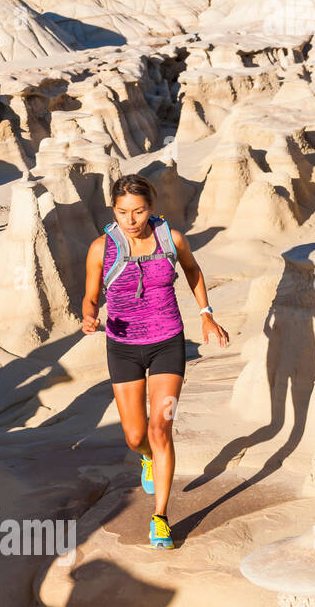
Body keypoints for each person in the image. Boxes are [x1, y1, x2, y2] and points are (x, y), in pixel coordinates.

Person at [81, 174, 229, 548]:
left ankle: (160, 517)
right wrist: (89, 315)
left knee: (161, 429)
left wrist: (206, 313)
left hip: (168, 344)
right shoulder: (101, 248)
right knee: (136, 437)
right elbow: (90, 296)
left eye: (139, 211)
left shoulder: (171, 239)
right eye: (122, 212)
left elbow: (193, 271)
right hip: (123, 346)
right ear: (112, 209)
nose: (130, 220)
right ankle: (146, 456)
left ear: (152, 207)